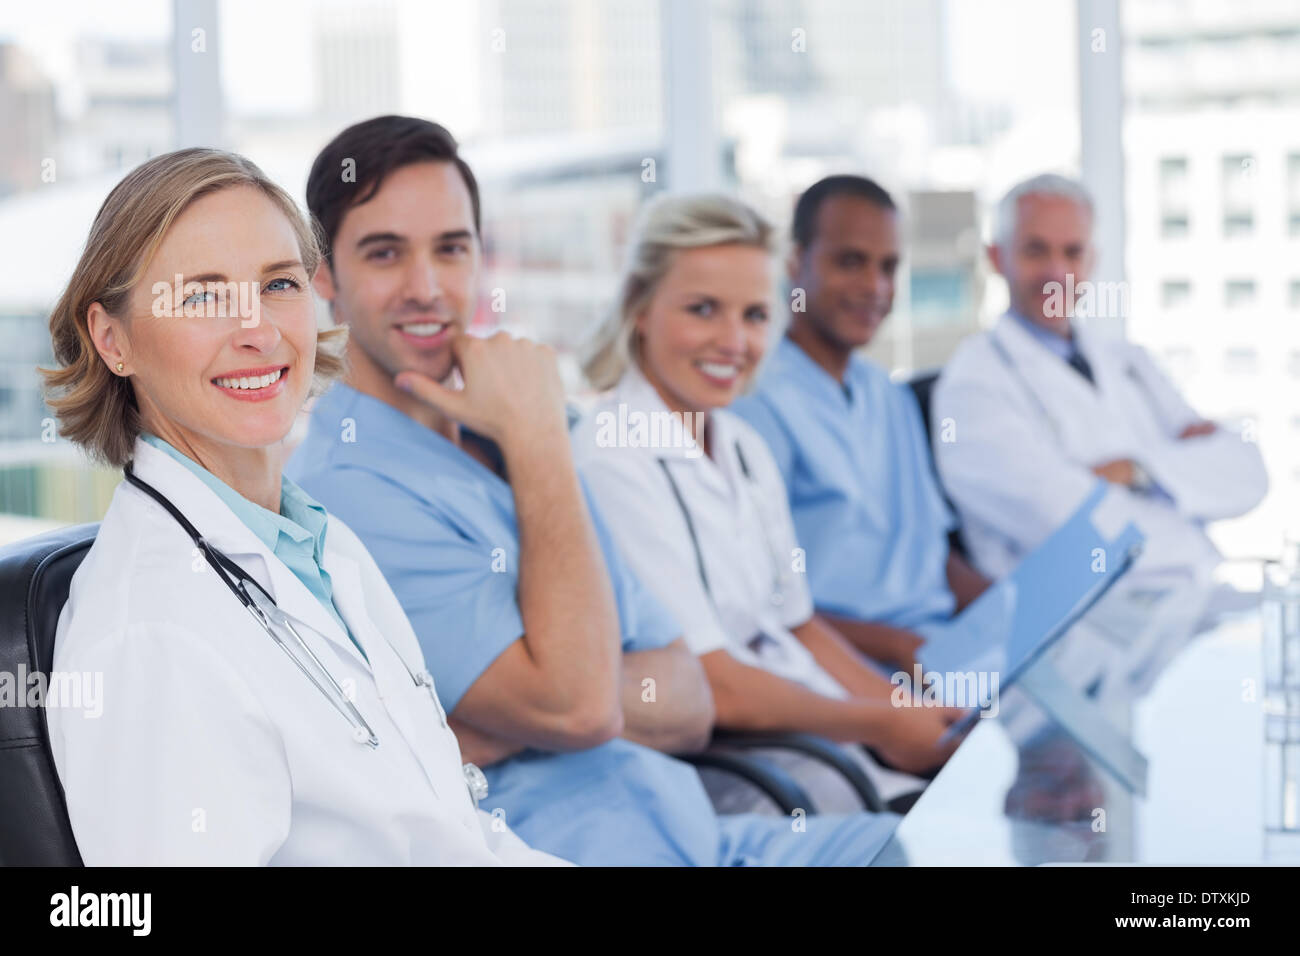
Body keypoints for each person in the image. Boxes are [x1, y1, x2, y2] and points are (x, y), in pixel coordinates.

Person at [287, 115, 899, 865]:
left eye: (451, 249)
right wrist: (540, 440)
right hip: (574, 851)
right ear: (324, 274)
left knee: (957, 848)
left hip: (707, 836)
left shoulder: (503, 436)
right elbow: (577, 707)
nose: (426, 288)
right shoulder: (350, 490)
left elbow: (686, 698)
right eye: (384, 253)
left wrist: (512, 720)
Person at [40, 148, 566, 865]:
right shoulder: (151, 635)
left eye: (279, 284)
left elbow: (455, 831)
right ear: (114, 339)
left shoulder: (321, 545)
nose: (257, 330)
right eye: (202, 295)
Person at [571, 193, 965, 812]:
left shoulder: (742, 442)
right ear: (640, 309)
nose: (734, 342)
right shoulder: (610, 458)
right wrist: (879, 726)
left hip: (819, 732)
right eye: (703, 310)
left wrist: (905, 713)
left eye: (754, 316)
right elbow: (713, 685)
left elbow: (798, 622)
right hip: (749, 762)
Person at [931, 173, 1267, 652]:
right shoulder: (973, 385)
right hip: (1072, 638)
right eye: (1035, 250)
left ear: (1092, 261)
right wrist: (1185, 490)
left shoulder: (1128, 361)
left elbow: (1249, 474)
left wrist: (1136, 470)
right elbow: (1073, 527)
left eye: (1072, 252)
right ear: (995, 258)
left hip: (1185, 609)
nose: (1056, 271)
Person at [731, 175, 990, 672]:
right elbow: (755, 603)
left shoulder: (887, 395)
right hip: (848, 666)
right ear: (795, 262)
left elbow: (931, 554)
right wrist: (900, 648)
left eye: (888, 267)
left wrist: (1014, 612)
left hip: (942, 654)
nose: (874, 287)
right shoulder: (755, 404)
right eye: (850, 262)